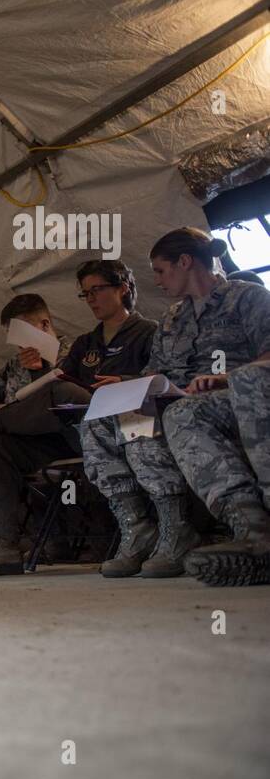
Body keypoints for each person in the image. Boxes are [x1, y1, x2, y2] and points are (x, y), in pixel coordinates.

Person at [80, 228, 270, 579]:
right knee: (105, 422)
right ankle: (148, 527)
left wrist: (228, 377)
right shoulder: (171, 319)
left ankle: (248, 526)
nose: (156, 280)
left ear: (185, 262)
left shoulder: (248, 298)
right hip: (181, 399)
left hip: (239, 399)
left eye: (160, 270)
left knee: (178, 414)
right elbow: (157, 371)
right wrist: (132, 387)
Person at [0, 261, 156, 575]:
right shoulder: (89, 342)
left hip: (124, 424)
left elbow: (161, 378)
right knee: (1, 447)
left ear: (123, 288)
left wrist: (125, 379)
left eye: (97, 290)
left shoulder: (146, 332)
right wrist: (37, 377)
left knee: (61, 390)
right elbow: (57, 381)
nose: (91, 299)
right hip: (72, 432)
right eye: (85, 294)